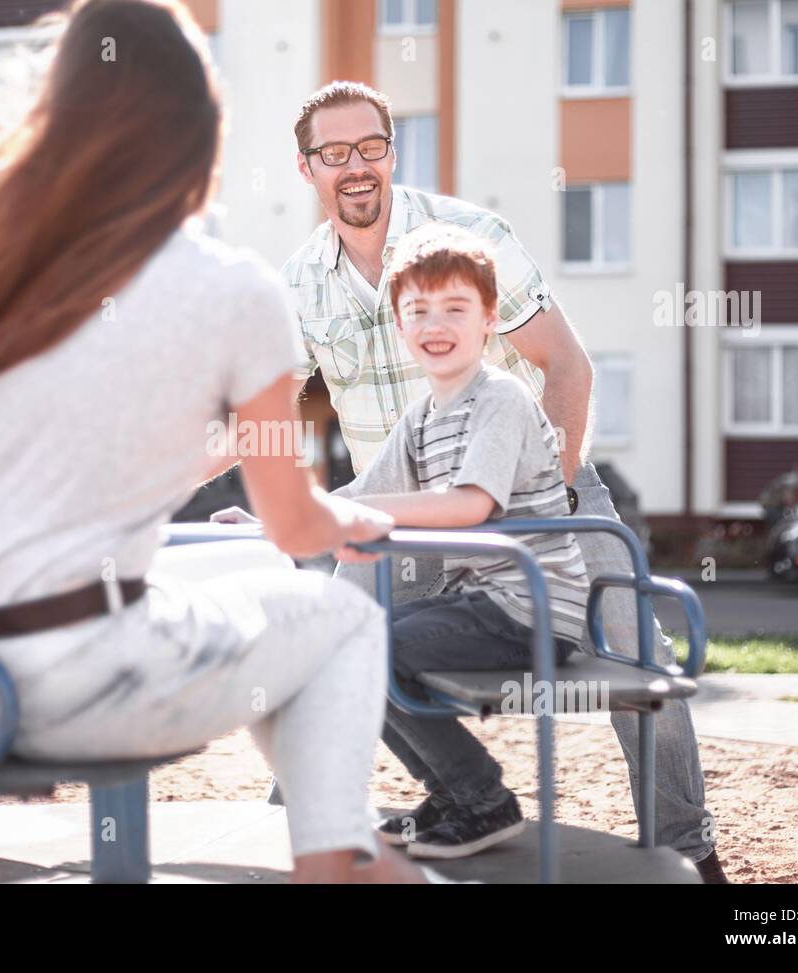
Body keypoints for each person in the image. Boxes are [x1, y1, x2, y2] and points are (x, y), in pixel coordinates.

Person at [0, 0, 427, 884]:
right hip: (77, 687)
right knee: (340, 616)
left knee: (262, 586)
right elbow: (298, 524)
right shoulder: (237, 288)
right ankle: (338, 861)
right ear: (202, 126)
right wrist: (363, 517)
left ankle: (358, 855)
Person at [282, 80, 727, 882]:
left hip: (536, 494)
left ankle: (689, 849)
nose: (356, 167)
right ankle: (419, 809)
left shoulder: (467, 240)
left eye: (371, 147)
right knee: (328, 652)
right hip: (407, 513)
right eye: (334, 153)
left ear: (392, 150)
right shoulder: (303, 282)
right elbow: (265, 412)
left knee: (634, 659)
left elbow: (567, 364)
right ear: (307, 165)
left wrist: (537, 508)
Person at [334, 225, 588, 859]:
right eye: (417, 310)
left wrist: (357, 516)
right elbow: (359, 491)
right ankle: (452, 793)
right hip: (487, 603)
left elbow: (470, 506)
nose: (435, 323)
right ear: (399, 324)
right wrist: (273, 520)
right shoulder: (422, 416)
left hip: (534, 607)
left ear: (488, 321)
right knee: (347, 641)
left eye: (455, 307)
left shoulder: (499, 399)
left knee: (370, 644)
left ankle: (483, 800)